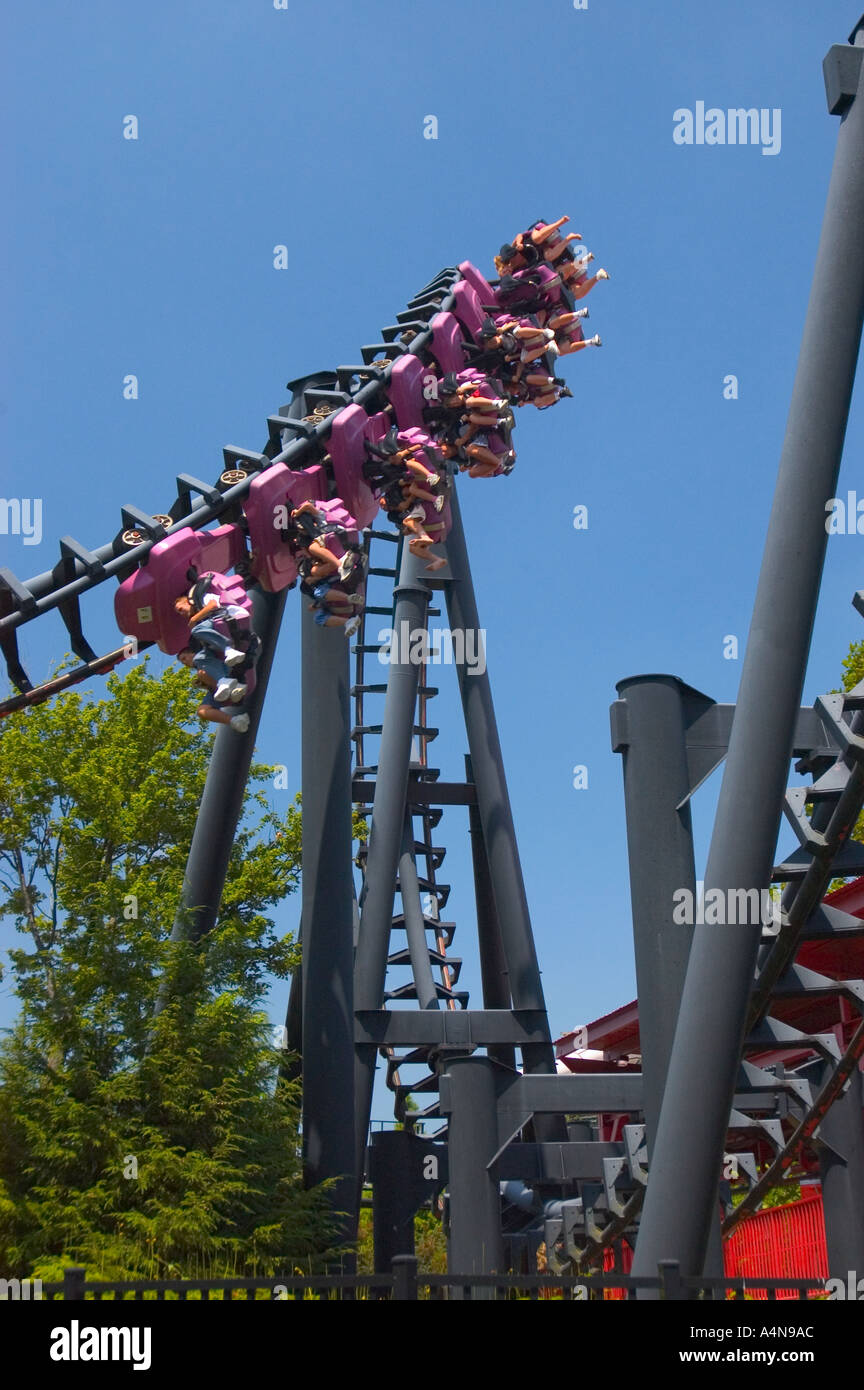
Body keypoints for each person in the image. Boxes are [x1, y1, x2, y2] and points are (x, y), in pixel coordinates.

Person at [177, 647, 251, 732]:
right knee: (201, 711)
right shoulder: (199, 668)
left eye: (184, 658)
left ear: (192, 653)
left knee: (202, 673)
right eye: (183, 662)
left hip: (229, 674)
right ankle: (235, 721)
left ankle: (233, 686)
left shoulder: (203, 656)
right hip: (218, 689)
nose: (185, 663)